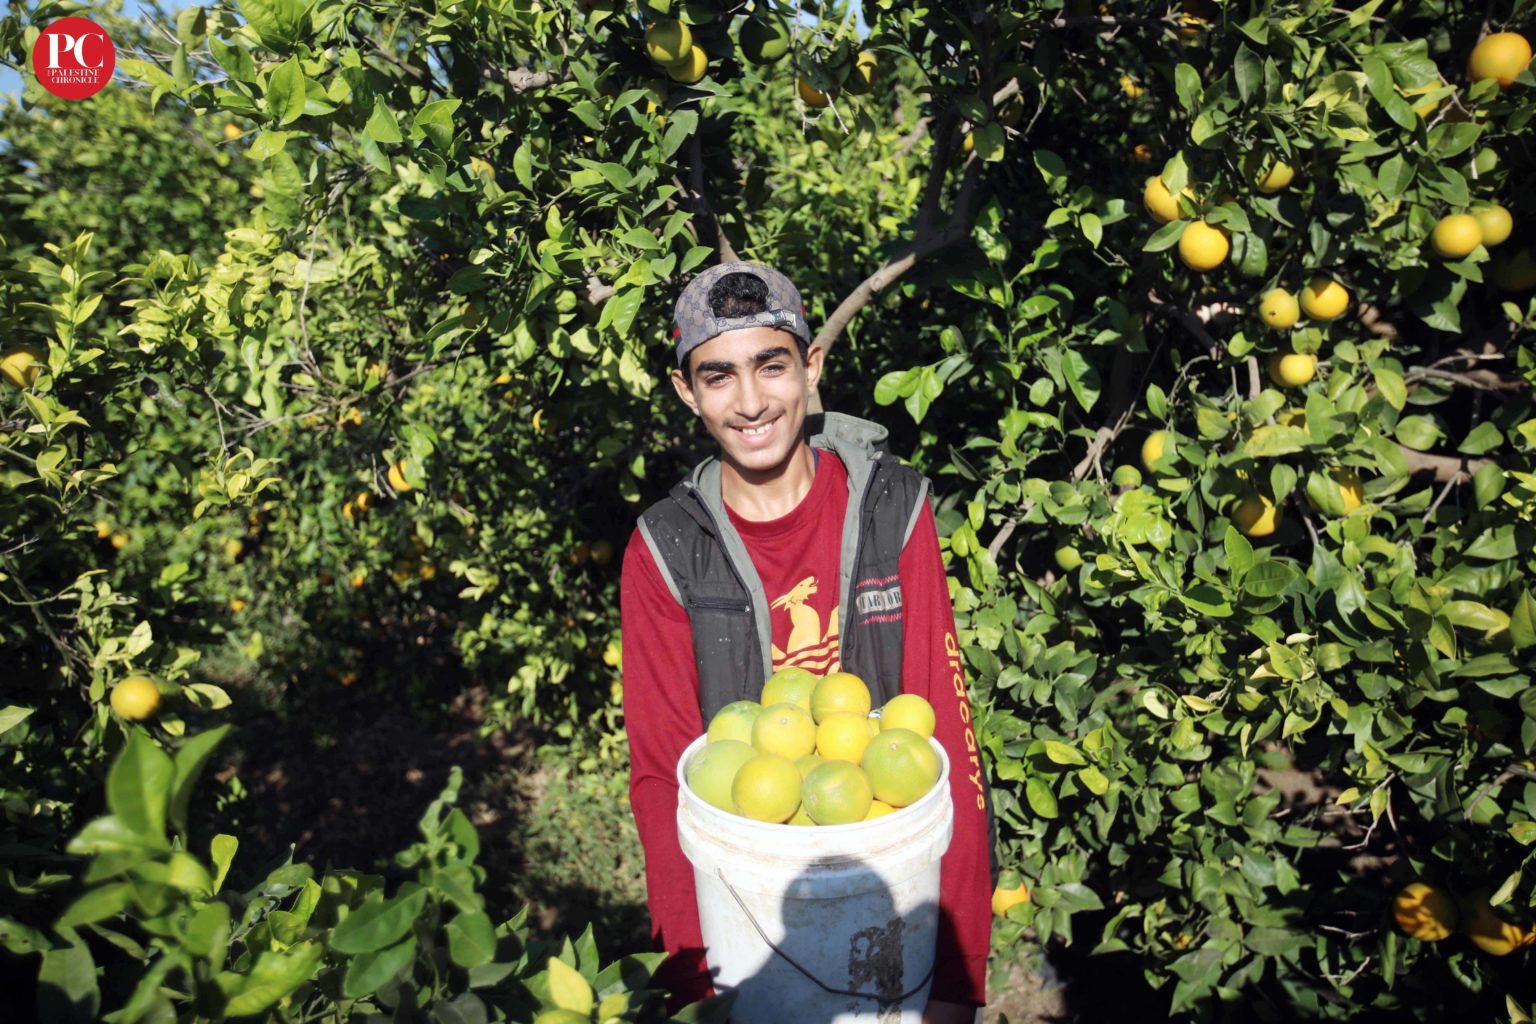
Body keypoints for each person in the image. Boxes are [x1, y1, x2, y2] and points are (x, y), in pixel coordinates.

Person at [620, 262, 992, 1024]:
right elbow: (664, 781)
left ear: (810, 367)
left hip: (892, 921)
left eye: (772, 365)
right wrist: (699, 989)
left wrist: (957, 984)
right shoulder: (665, 550)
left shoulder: (896, 508)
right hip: (750, 919)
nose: (751, 401)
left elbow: (948, 747)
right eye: (718, 376)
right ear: (686, 390)